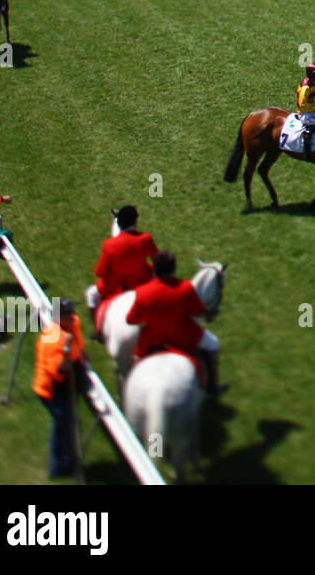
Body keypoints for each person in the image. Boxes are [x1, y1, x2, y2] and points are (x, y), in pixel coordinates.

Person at [126, 250, 227, 397]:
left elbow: (130, 320)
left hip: (152, 339)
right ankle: (211, 386)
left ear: (154, 268)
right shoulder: (186, 288)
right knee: (213, 344)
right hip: (183, 336)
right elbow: (198, 312)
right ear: (173, 269)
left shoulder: (142, 292)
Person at [33, 298, 87, 478]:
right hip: (53, 390)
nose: (73, 316)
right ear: (59, 317)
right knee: (63, 424)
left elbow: (80, 347)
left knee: (68, 423)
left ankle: (69, 458)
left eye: (73, 312)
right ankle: (58, 465)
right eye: (69, 314)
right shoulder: (53, 340)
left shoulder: (71, 324)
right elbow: (59, 372)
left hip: (64, 382)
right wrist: (66, 348)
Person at [84, 205, 156, 338]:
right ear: (135, 221)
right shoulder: (145, 239)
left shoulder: (109, 245)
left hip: (115, 285)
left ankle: (99, 331)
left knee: (91, 294)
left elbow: (100, 272)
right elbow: (157, 260)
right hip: (142, 282)